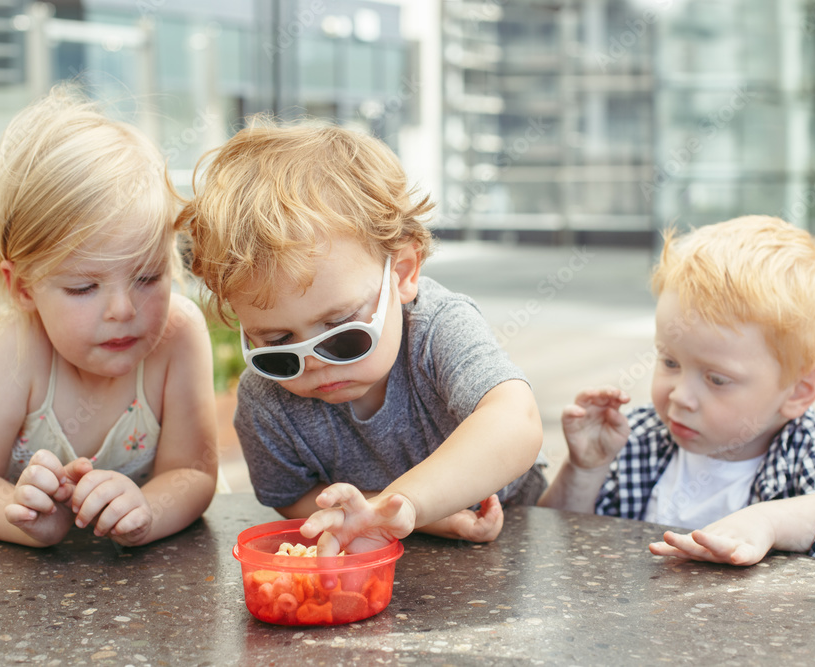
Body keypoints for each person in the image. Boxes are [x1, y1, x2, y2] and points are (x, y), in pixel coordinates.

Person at [183, 119, 545, 556]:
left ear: (403, 274)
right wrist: (410, 518)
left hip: (526, 528)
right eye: (278, 345)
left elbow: (516, 421)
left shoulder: (436, 328)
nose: (314, 362)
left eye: (342, 332)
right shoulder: (266, 400)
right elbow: (291, 496)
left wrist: (410, 503)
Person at [539, 215, 815, 568]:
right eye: (670, 362)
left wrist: (768, 522)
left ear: (798, 391)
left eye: (716, 380)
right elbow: (548, 541)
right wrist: (585, 470)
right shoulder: (641, 438)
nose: (679, 396)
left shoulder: (809, 449)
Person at [0, 86, 219, 548]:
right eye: (83, 288)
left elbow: (193, 472)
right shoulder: (16, 348)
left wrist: (148, 511)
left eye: (148, 277)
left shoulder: (179, 335)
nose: (123, 310)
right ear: (22, 286)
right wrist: (28, 522)